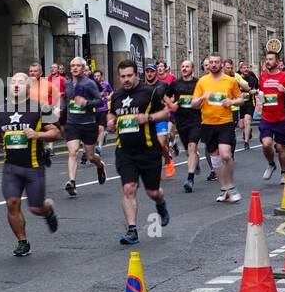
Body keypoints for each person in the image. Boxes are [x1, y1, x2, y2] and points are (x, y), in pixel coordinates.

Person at [0, 72, 61, 256]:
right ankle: (22, 241)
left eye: (21, 82)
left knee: (35, 208)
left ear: (28, 86)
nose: (16, 85)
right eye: (14, 82)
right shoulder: (0, 109)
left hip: (34, 167)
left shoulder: (40, 108)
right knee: (12, 203)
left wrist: (39, 135)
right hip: (10, 168)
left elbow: (56, 132)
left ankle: (47, 211)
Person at [107, 59, 172, 245]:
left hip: (149, 150)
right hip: (125, 151)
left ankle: (161, 204)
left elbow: (166, 113)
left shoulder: (149, 92)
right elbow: (111, 113)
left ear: (136, 74)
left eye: (129, 76)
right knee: (129, 188)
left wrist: (148, 117)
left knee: (153, 192)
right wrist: (110, 121)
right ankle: (132, 230)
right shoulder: (116, 96)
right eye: (122, 77)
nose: (126, 80)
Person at [192, 54, 246, 205]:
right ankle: (223, 188)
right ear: (208, 65)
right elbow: (193, 103)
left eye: (216, 62)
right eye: (211, 63)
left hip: (225, 122)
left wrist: (231, 101)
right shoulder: (202, 81)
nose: (214, 65)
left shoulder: (230, 81)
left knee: (226, 155)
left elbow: (241, 99)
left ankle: (231, 186)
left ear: (222, 64)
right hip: (207, 123)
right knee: (215, 159)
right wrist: (202, 98)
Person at [62, 57, 107, 196]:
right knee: (73, 152)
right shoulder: (68, 84)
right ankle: (72, 182)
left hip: (88, 124)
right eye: (72, 65)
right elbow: (67, 101)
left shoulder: (90, 84)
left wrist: (86, 103)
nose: (75, 68)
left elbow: (100, 102)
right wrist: (59, 109)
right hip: (72, 123)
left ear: (83, 68)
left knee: (90, 156)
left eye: (78, 66)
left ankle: (100, 166)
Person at [257, 51, 285, 181]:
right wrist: (260, 102)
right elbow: (261, 93)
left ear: (277, 61)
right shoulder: (263, 76)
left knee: (281, 147)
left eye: (271, 59)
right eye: (266, 59)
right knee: (266, 144)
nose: (268, 61)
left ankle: (283, 173)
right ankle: (271, 164)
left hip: (281, 118)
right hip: (266, 117)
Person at [166, 59, 203, 192]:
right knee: (189, 151)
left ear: (192, 69)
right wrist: (171, 105)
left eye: (187, 66)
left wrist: (200, 101)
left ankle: (190, 179)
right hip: (181, 121)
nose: (184, 68)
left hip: (196, 120)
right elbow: (165, 96)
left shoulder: (198, 83)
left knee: (192, 146)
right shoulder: (175, 84)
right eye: (182, 66)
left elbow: (204, 97)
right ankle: (195, 162)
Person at [236, 60, 256, 150]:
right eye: (244, 68)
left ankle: (246, 142)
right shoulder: (236, 78)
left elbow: (257, 89)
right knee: (241, 125)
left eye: (247, 67)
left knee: (247, 121)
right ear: (240, 69)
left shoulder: (252, 79)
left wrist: (255, 91)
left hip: (249, 103)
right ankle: (248, 130)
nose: (246, 69)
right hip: (240, 104)